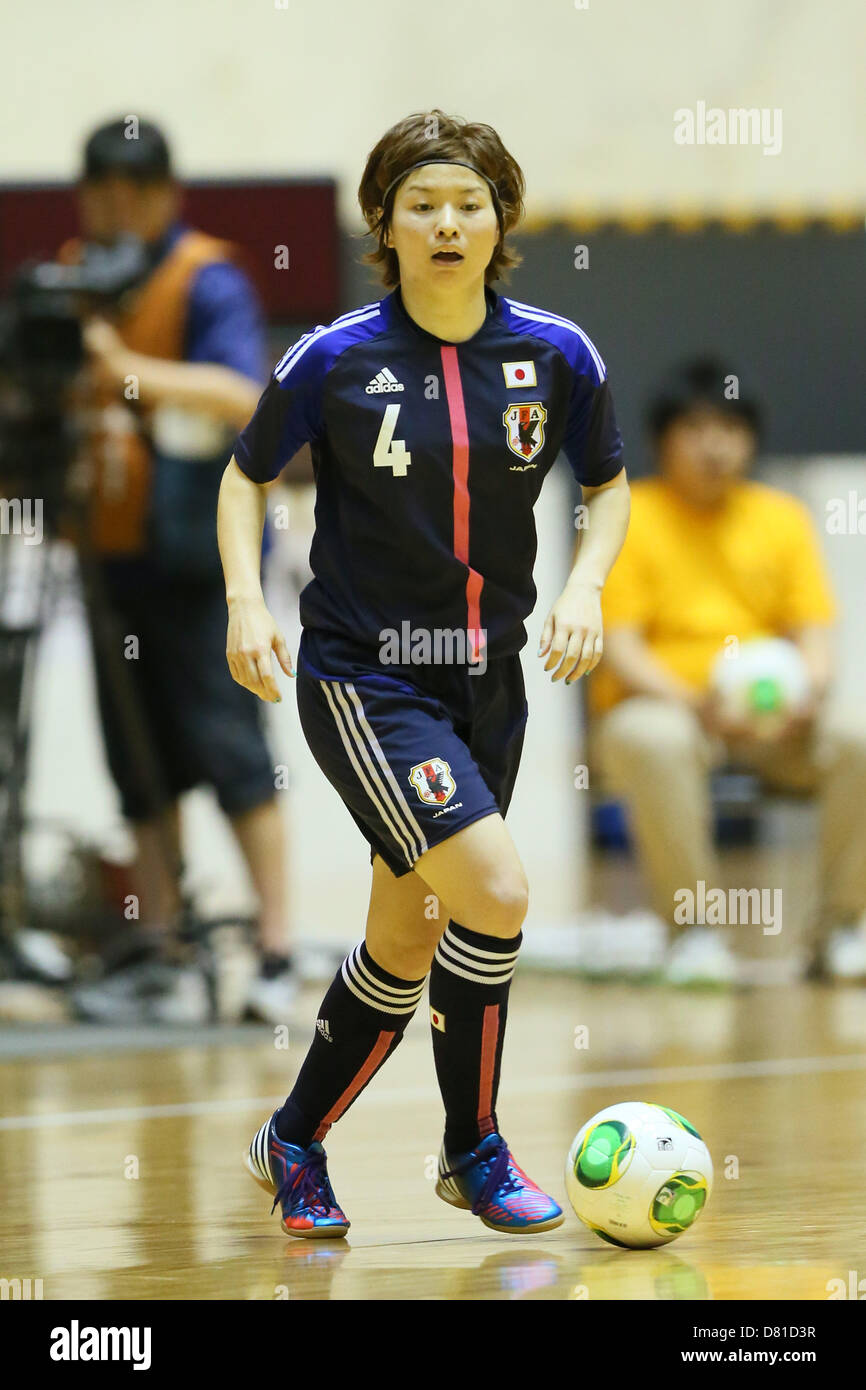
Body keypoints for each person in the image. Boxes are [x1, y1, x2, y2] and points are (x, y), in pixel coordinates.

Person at [218, 108, 630, 1238]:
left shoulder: (559, 352)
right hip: (364, 677)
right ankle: (472, 1150)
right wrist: (247, 602)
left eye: (467, 203)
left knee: (405, 937)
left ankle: (290, 1138)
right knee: (493, 891)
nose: (446, 223)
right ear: (383, 226)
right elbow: (244, 473)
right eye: (421, 205)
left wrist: (585, 586)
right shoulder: (335, 356)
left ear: (500, 222)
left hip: (486, 680)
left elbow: (606, 485)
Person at [65, 117, 299, 1024]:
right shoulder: (74, 278)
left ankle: (275, 952)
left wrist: (126, 370)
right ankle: (161, 953)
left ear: (166, 194)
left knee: (233, 754)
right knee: (140, 767)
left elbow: (245, 394)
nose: (118, 208)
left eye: (136, 191)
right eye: (102, 191)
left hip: (199, 559)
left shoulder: (208, 279)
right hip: (108, 555)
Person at [590, 358, 866, 985]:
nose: (714, 446)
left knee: (858, 734)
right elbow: (622, 648)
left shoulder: (780, 518)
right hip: (671, 711)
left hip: (776, 718)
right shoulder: (628, 514)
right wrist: (697, 704)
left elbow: (814, 632)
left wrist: (809, 693)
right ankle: (694, 932)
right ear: (664, 438)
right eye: (696, 428)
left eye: (730, 428)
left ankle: (841, 929)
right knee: (650, 737)